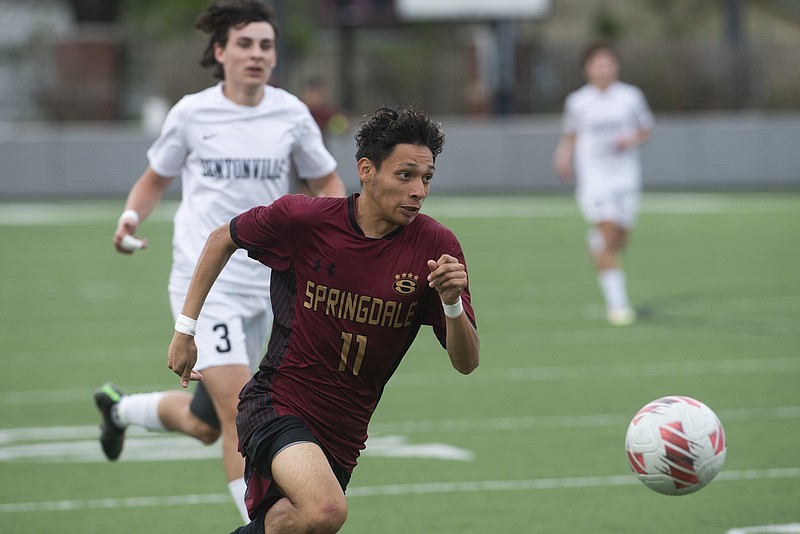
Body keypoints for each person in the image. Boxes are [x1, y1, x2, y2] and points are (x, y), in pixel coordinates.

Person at [167, 105, 480, 533]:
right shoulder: (305, 219)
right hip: (278, 401)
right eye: (405, 175)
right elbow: (222, 237)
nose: (418, 191)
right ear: (366, 170)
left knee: (287, 525)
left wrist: (451, 303)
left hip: (345, 430)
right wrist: (186, 330)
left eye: (426, 178)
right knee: (327, 511)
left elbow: (467, 362)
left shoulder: (437, 246)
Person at [93, 0, 346, 523]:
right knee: (237, 412)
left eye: (266, 45)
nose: (257, 54)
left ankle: (118, 409)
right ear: (220, 51)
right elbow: (155, 179)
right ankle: (256, 523)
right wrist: (129, 218)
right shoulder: (191, 112)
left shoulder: (291, 113)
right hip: (207, 284)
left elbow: (323, 180)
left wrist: (334, 233)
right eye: (246, 44)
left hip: (273, 286)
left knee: (206, 422)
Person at [553, 42, 654, 326]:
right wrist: (563, 157)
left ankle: (595, 242)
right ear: (587, 68)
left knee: (619, 239)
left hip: (626, 178)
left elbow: (646, 128)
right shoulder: (578, 102)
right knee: (609, 234)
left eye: (608, 62)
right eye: (598, 63)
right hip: (595, 180)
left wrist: (630, 140)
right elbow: (571, 134)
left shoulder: (631, 97)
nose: (603, 68)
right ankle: (618, 305)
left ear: (616, 66)